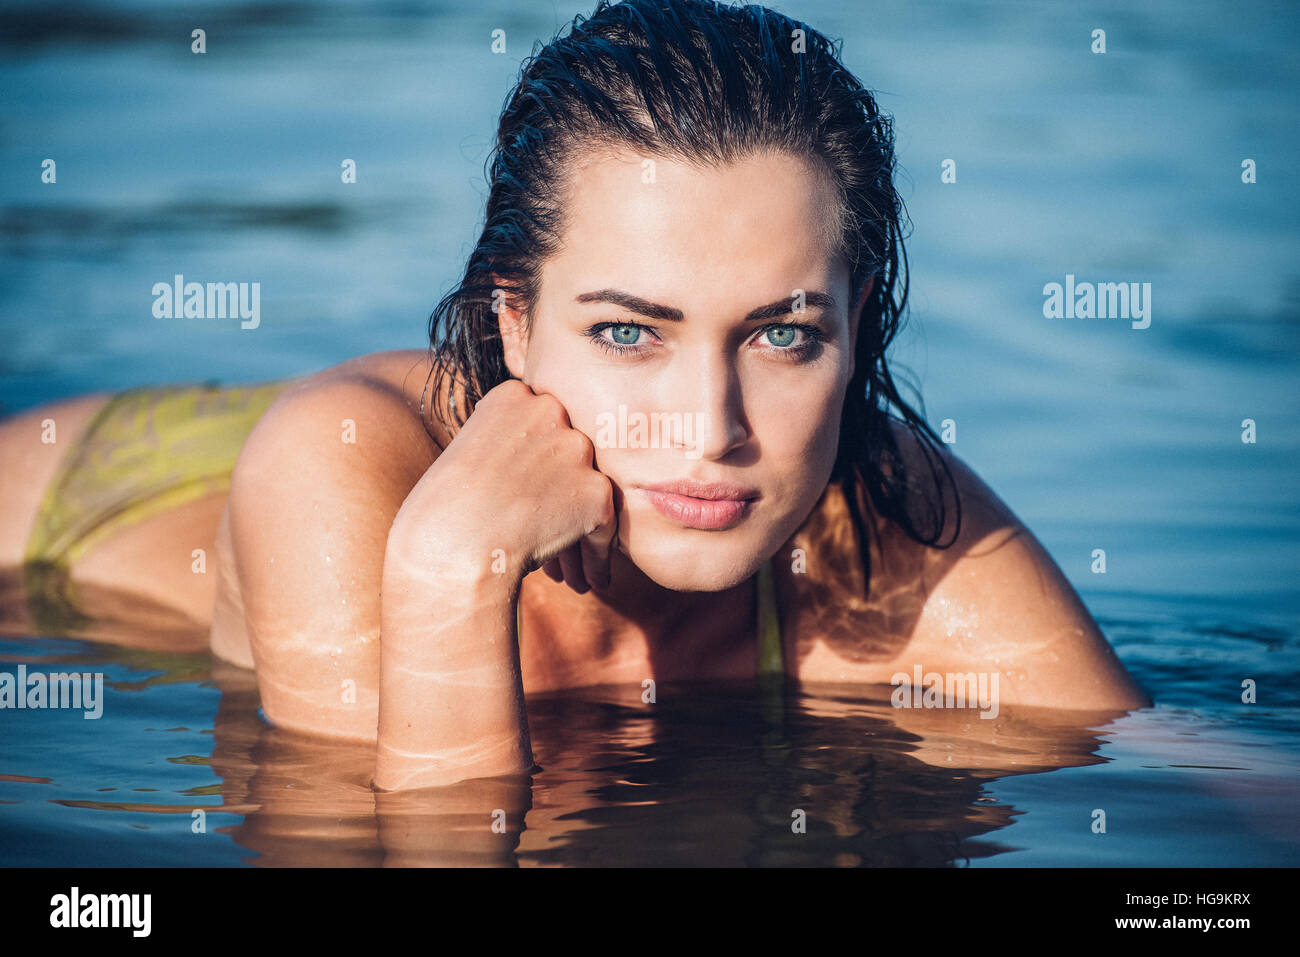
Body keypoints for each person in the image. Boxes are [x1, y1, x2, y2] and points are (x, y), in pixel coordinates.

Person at [0, 0, 1149, 792]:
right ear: (516, 324)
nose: (709, 431)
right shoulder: (332, 470)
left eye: (783, 335)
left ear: (857, 337)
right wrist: (449, 569)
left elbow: (1165, 777)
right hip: (79, 507)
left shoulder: (884, 511)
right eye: (626, 332)